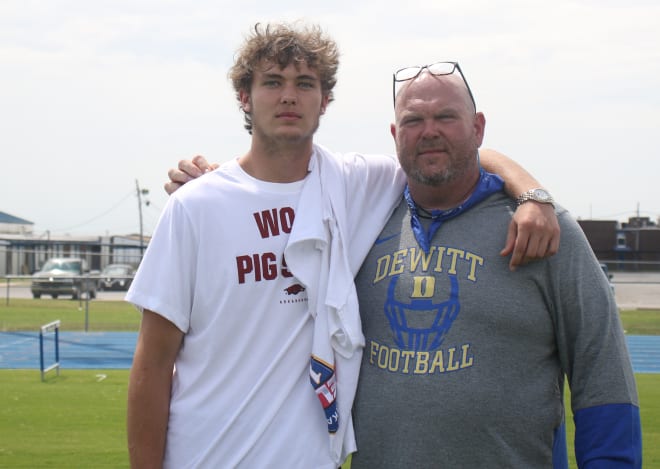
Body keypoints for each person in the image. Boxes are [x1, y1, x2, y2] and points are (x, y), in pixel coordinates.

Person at [136, 23, 558, 468]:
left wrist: (531, 192)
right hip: (204, 455)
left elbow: (454, 150)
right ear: (245, 96)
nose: (288, 96)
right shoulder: (196, 206)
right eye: (272, 82)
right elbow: (153, 364)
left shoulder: (357, 183)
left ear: (325, 100)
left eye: (305, 84)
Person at [348, 65, 642, 467]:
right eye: (413, 120)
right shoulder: (363, 222)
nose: (429, 131)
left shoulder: (544, 228)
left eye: (446, 117)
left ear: (478, 128)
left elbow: (603, 375)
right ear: (396, 136)